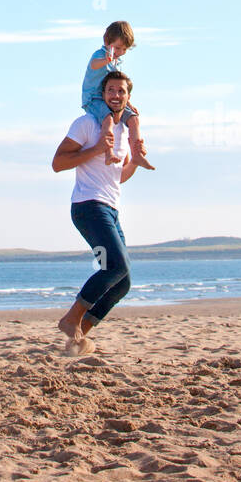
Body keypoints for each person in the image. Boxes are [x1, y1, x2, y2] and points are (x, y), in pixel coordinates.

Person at [53, 70, 153, 355]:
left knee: (123, 281)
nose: (116, 95)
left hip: (110, 209)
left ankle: (78, 338)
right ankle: (71, 318)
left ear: (128, 97)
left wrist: (133, 161)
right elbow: (58, 163)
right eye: (111, 90)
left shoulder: (124, 131)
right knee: (115, 266)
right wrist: (96, 148)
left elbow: (117, 177)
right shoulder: (87, 124)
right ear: (103, 93)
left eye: (121, 91)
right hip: (88, 207)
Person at [81, 20, 143, 162]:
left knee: (133, 119)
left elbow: (118, 85)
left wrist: (129, 104)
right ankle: (108, 151)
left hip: (109, 99)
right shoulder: (100, 55)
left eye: (124, 50)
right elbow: (94, 65)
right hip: (94, 99)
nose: (120, 53)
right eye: (118, 48)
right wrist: (106, 60)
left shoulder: (117, 62)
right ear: (108, 42)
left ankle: (137, 154)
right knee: (108, 118)